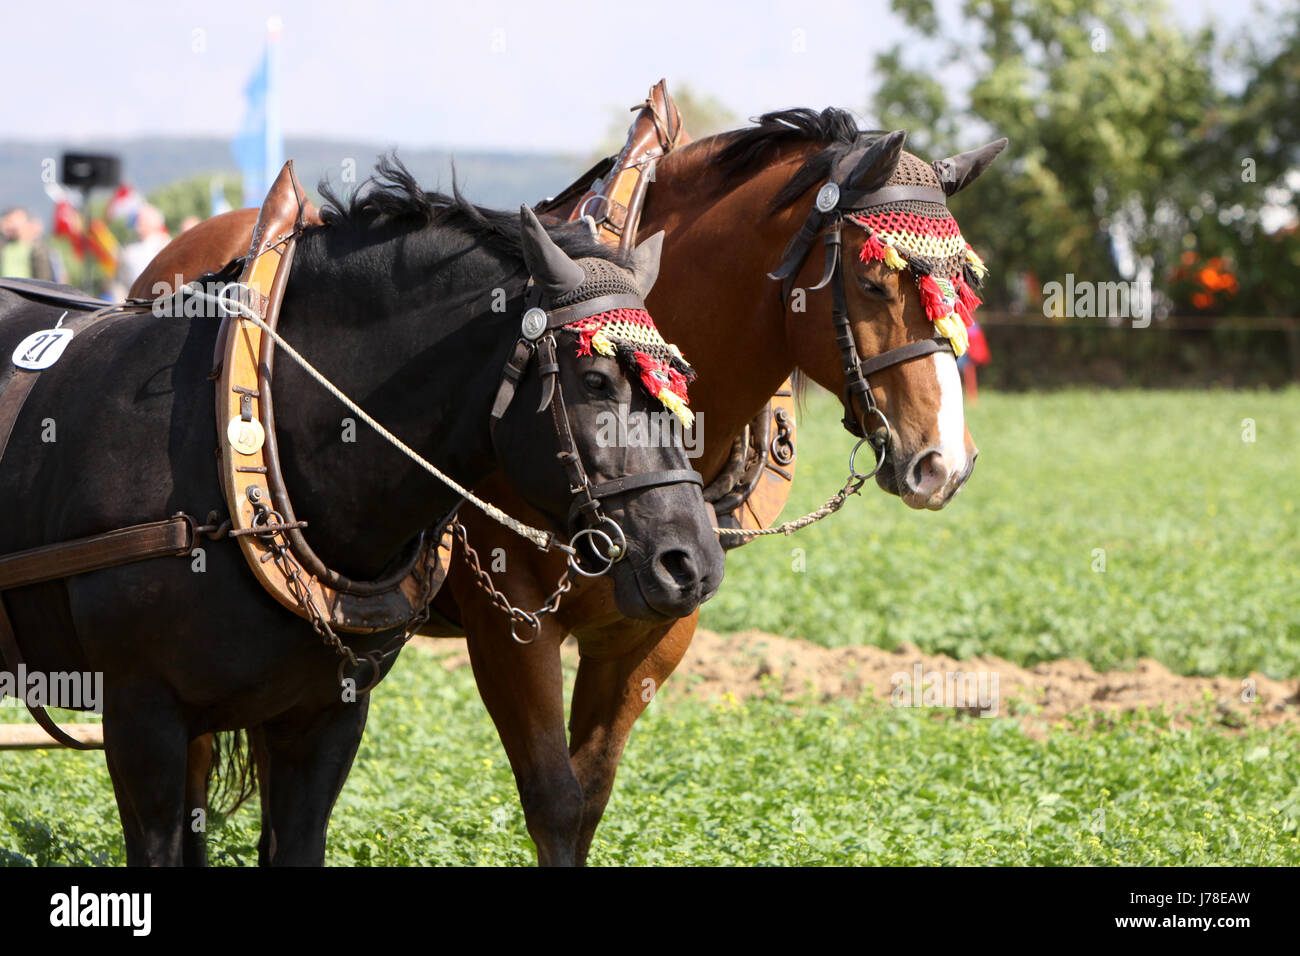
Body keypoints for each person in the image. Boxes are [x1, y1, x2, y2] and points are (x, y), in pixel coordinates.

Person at [115, 204, 171, 293]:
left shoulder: (166, 245)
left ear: (155, 222)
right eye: (139, 220)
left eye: (144, 220)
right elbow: (123, 280)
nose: (139, 224)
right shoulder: (130, 250)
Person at [1, 207, 54, 280]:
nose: (11, 226)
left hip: (26, 288)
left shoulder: (36, 248)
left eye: (13, 221)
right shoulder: (5, 246)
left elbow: (44, 276)